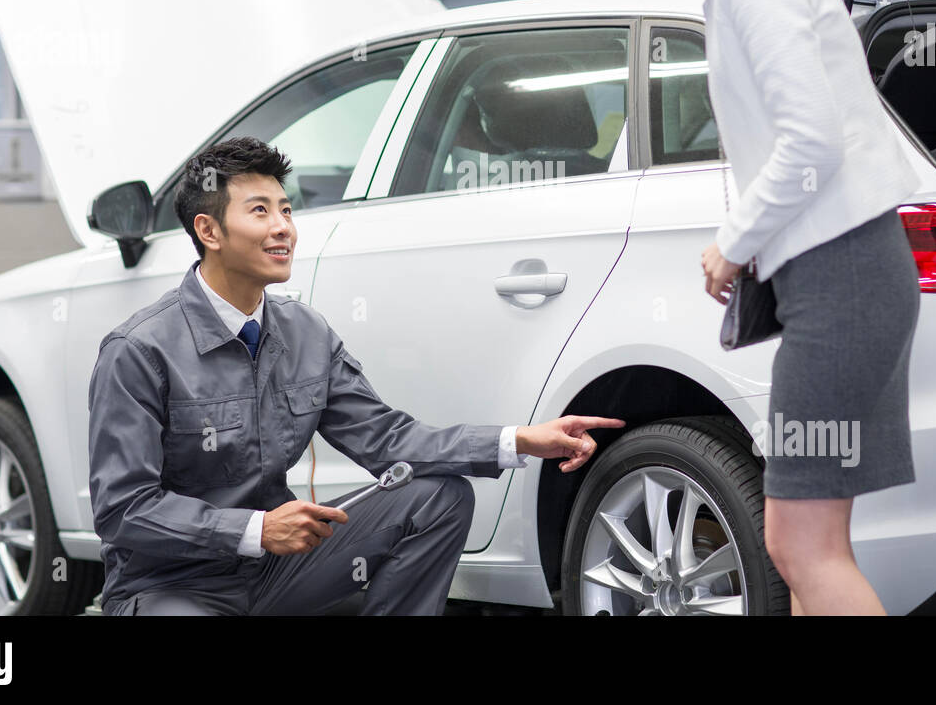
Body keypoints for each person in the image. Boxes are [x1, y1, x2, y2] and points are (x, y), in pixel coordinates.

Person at [575, 0, 921, 615]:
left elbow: (811, 142)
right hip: (846, 278)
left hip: (843, 279)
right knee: (809, 547)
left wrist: (731, 245)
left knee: (800, 545)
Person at [88, 136, 624, 615]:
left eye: (287, 210)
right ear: (209, 230)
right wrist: (256, 529)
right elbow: (123, 510)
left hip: (277, 573)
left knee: (438, 497)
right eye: (259, 211)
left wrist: (521, 440)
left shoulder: (306, 334)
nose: (283, 228)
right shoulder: (138, 350)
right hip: (170, 585)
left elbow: (388, 440)